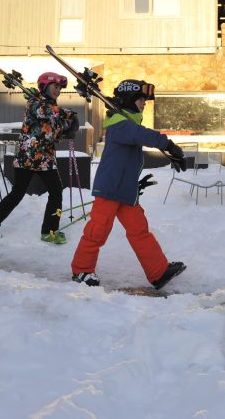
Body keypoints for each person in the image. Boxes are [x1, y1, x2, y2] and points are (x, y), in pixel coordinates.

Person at [70, 78, 187, 289]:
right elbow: (140, 135)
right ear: (130, 99)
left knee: (139, 230)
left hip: (125, 190)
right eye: (141, 99)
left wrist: (134, 182)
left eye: (145, 100)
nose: (144, 104)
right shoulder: (120, 125)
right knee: (98, 230)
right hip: (109, 189)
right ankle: (81, 270)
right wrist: (169, 145)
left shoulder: (127, 124)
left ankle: (158, 272)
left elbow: (128, 157)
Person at [0, 72, 79, 244]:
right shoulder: (34, 103)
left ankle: (49, 232)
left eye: (59, 88)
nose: (57, 91)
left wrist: (67, 129)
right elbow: (46, 112)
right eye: (54, 87)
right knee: (18, 193)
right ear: (44, 87)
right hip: (28, 156)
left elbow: (51, 131)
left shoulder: (53, 108)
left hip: (45, 158)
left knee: (56, 193)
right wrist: (69, 114)